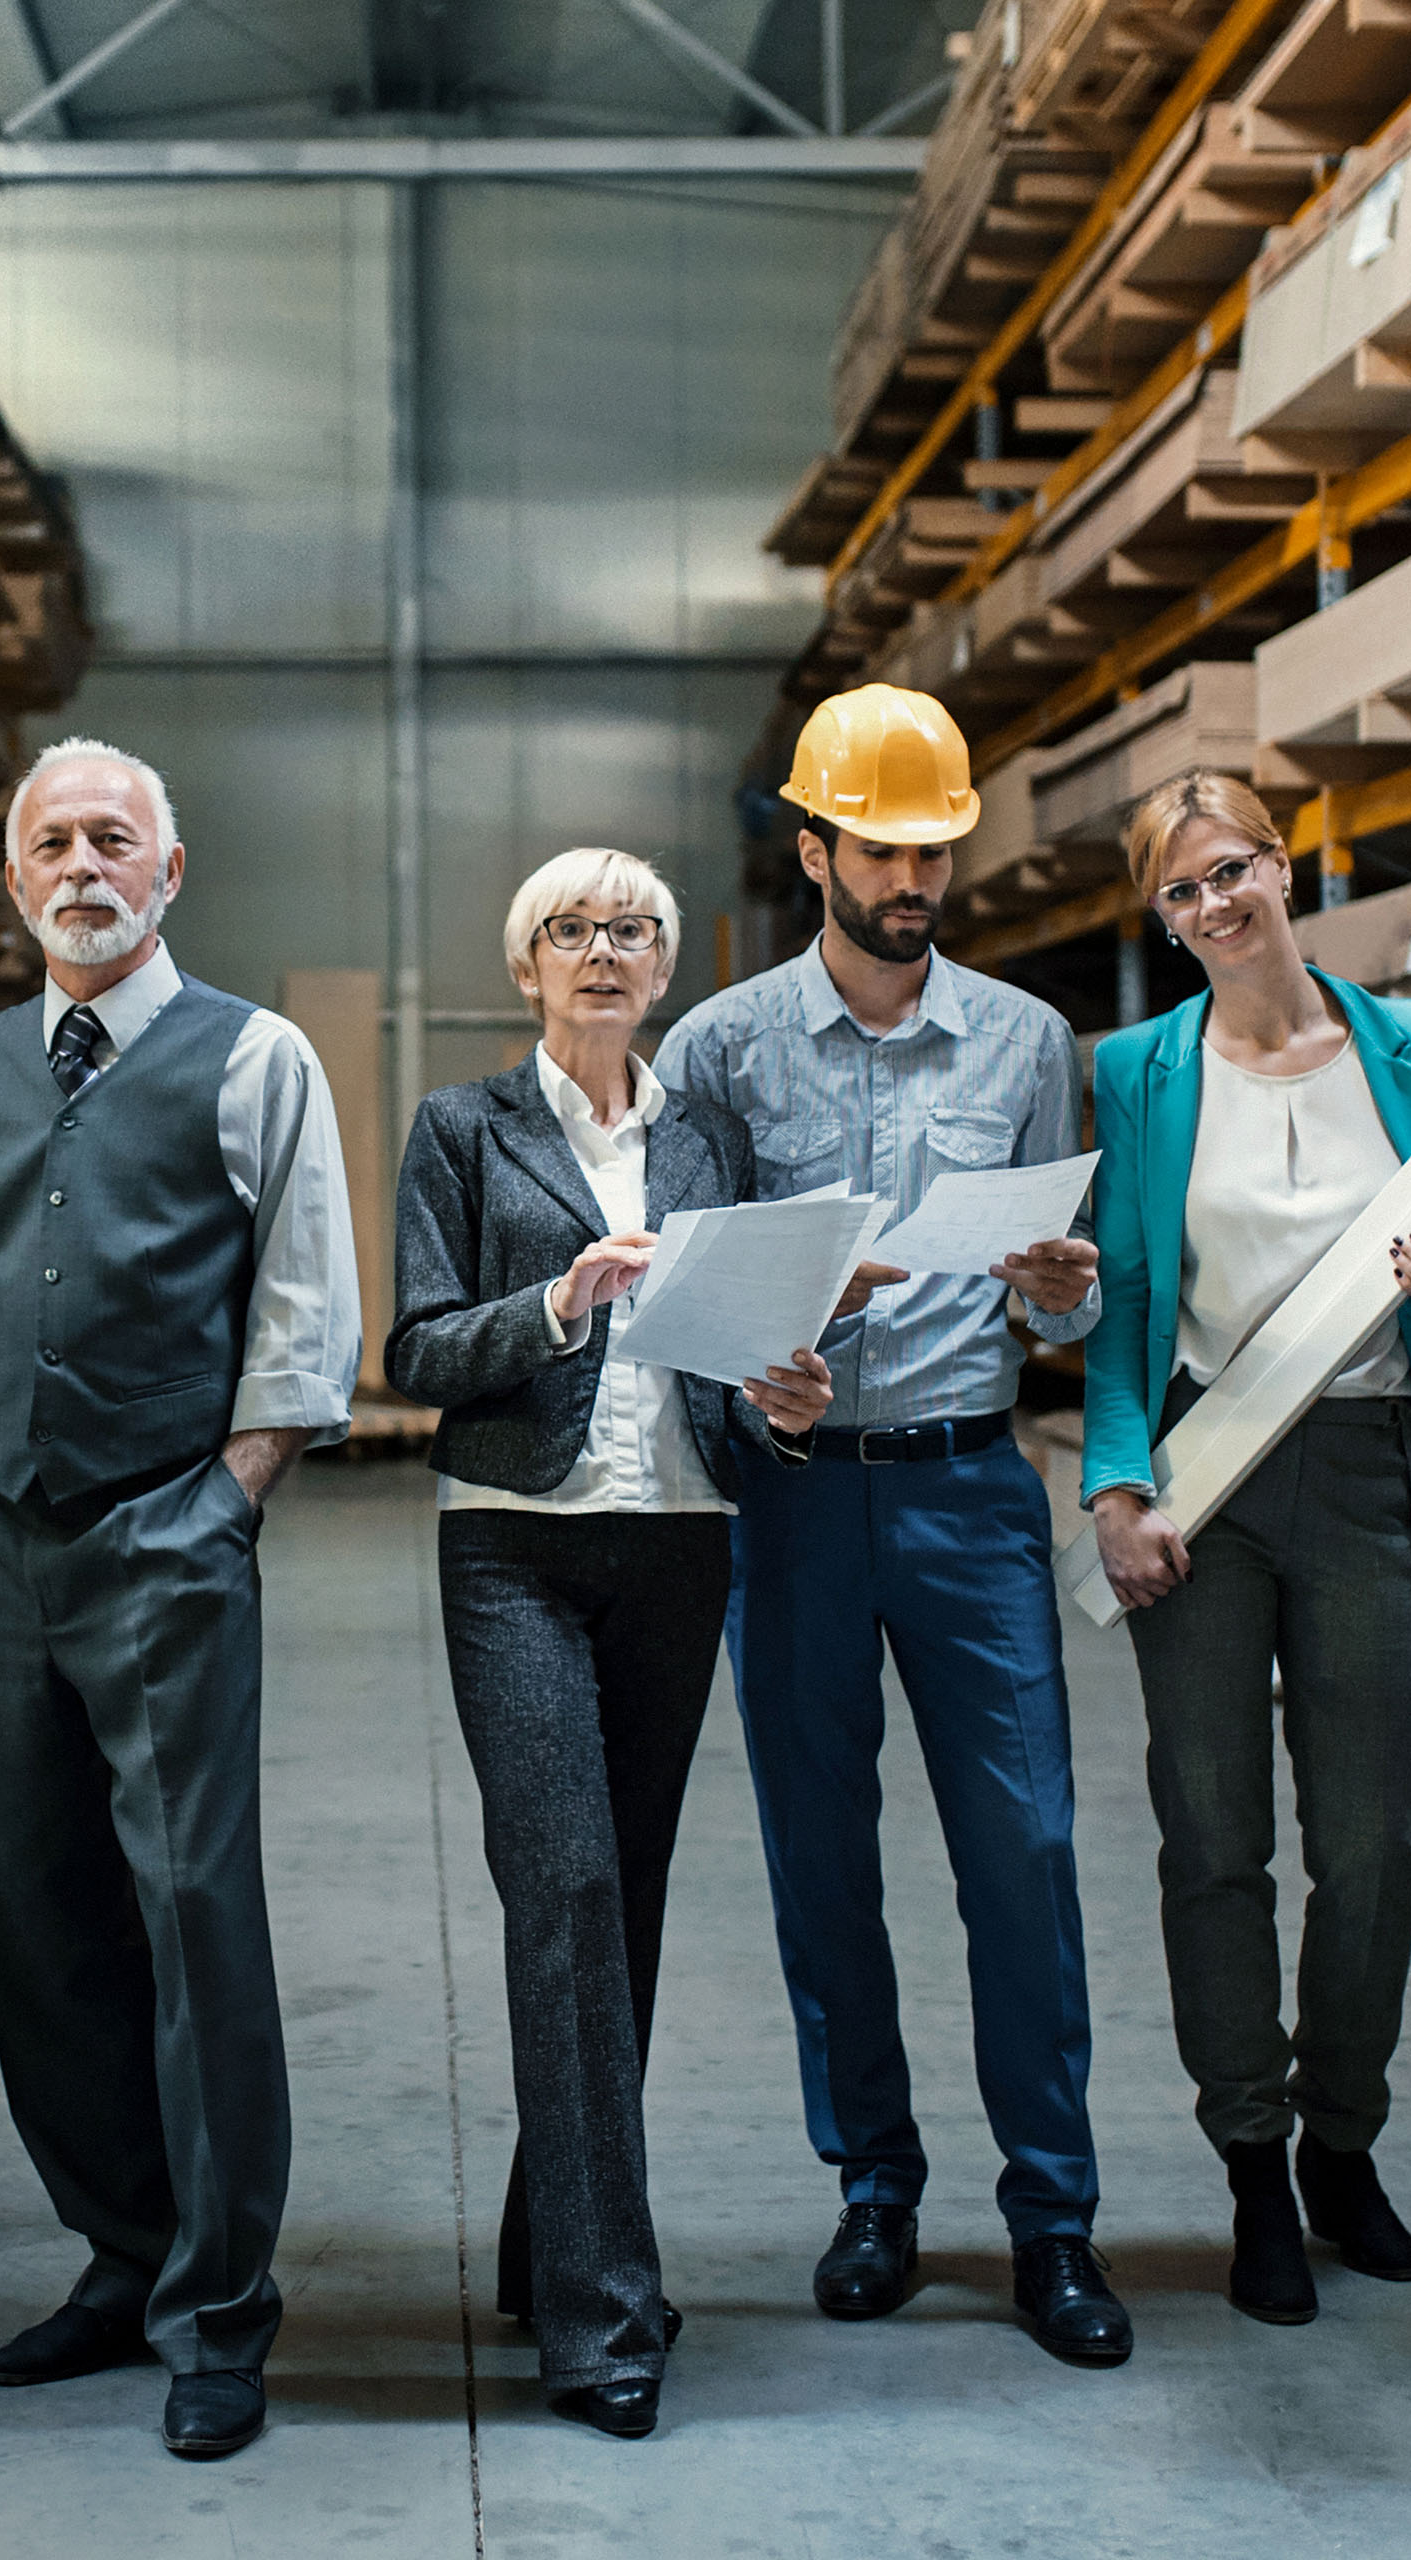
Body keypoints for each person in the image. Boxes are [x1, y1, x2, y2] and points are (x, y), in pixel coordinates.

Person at [0, 736, 358, 2462]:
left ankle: (220, 2306)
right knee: (38, 1915)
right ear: (13, 880)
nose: (83, 863)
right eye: (52, 840)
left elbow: (306, 1323)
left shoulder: (256, 1057)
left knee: (193, 1912)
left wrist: (226, 1507)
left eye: (113, 839)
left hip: (164, 1534)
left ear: (170, 869)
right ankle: (123, 2256)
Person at [659, 683, 1131, 2368]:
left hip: (968, 1492)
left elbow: (1065, 1312)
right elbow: (686, 1303)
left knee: (1027, 1857)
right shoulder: (718, 1049)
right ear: (816, 851)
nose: (914, 875)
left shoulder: (1024, 1043)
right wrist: (748, 1385)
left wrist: (1068, 1295)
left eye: (936, 847)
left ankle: (1055, 2220)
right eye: (883, 848)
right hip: (794, 1508)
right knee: (823, 1866)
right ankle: (873, 2184)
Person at [387, 847, 840, 2441]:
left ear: (664, 970)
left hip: (679, 1544)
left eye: (631, 931)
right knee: (564, 1882)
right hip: (513, 1543)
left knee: (621, 1905)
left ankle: (544, 2237)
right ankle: (601, 2314)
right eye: (568, 930)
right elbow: (417, 1350)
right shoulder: (465, 1128)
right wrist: (561, 1307)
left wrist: (784, 1408)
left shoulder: (708, 1137)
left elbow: (737, 1354)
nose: (602, 951)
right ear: (526, 967)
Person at [1081, 770, 1411, 2329]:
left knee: (1371, 1839)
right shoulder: (1132, 1067)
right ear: (1163, 918)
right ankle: (1251, 2157)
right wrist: (1116, 1490)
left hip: (1370, 1458)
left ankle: (1345, 2144)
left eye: (1230, 870)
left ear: (1284, 865)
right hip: (1205, 1468)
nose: (1213, 907)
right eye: (1180, 893)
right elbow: (1117, 1295)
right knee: (1212, 1834)